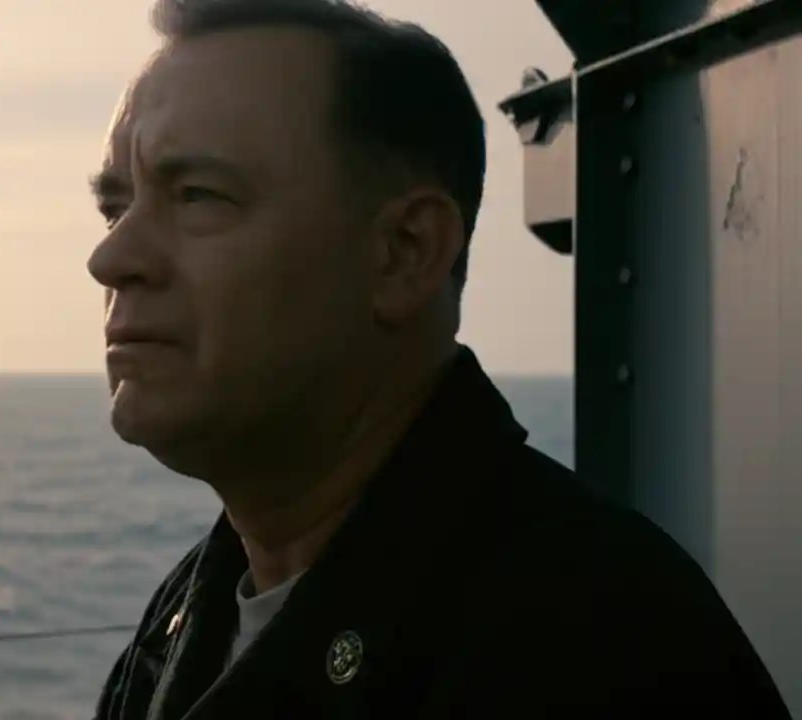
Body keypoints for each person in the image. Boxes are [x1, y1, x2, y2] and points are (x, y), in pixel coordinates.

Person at [83, 0, 791, 717]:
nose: (111, 257)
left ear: (405, 252)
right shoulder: (188, 616)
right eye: (116, 208)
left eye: (198, 196)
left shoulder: (600, 650)